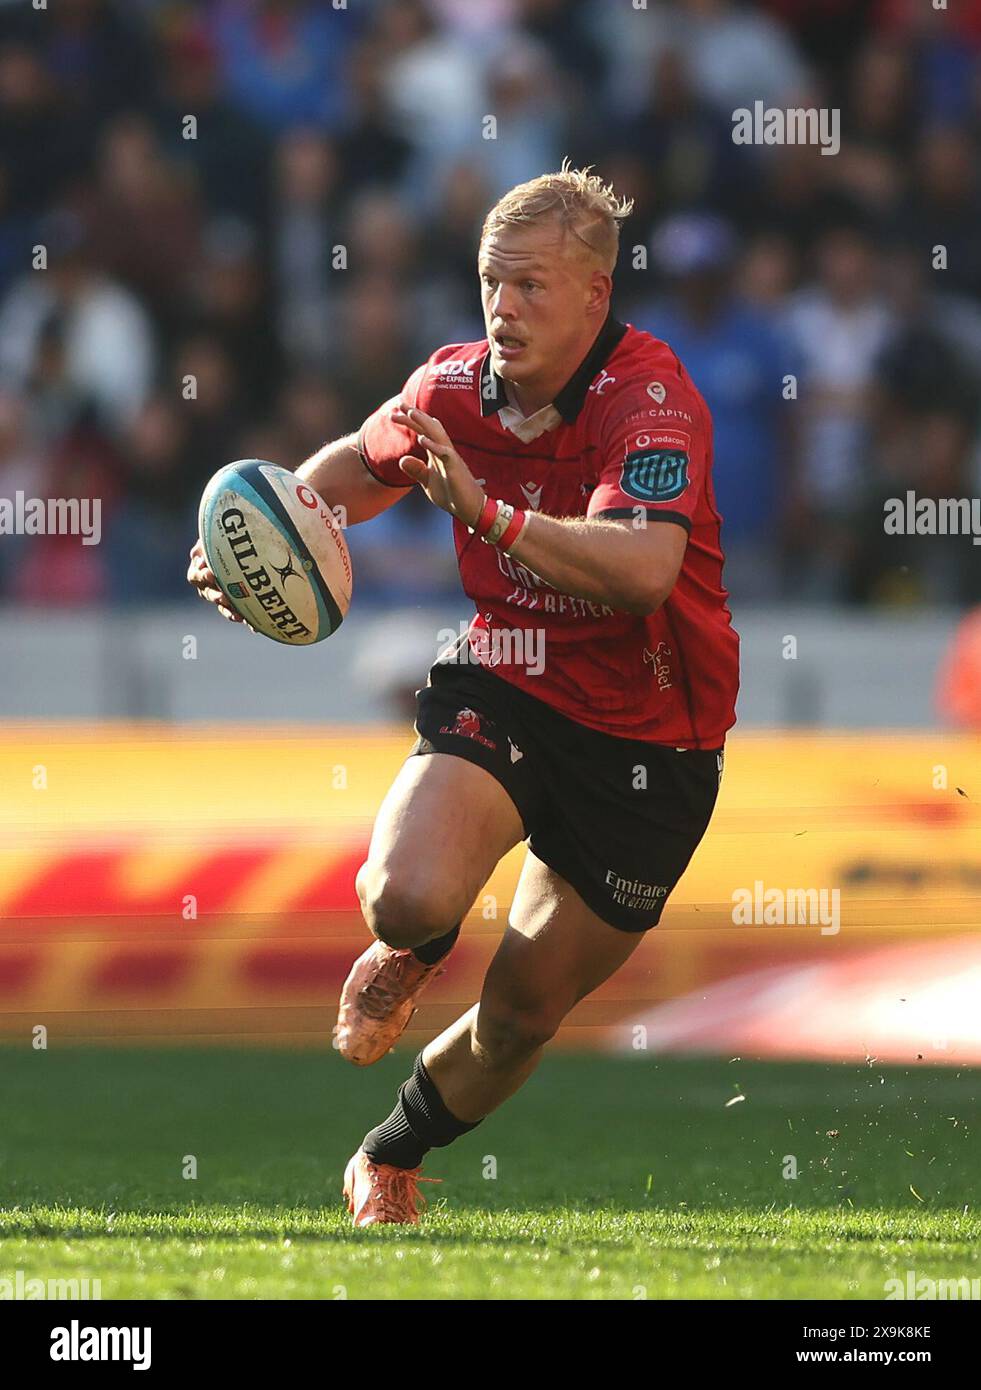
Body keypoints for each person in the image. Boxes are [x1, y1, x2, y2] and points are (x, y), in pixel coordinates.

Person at [187, 165, 739, 1226]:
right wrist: (264, 532)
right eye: (492, 283)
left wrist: (487, 514)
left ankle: (390, 1152)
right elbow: (359, 462)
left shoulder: (652, 399)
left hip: (655, 738)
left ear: (594, 294)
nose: (504, 309)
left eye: (531, 287)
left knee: (524, 1014)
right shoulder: (454, 386)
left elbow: (642, 572)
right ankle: (414, 946)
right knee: (403, 891)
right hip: (512, 676)